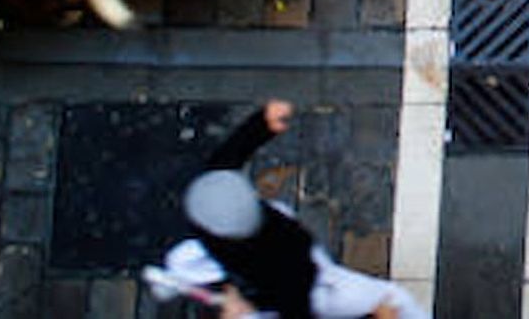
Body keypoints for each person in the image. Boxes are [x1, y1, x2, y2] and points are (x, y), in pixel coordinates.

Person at [160, 99, 427, 318]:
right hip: (306, 293)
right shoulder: (287, 272)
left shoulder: (208, 205)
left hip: (286, 280)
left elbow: (225, 160)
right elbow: (303, 311)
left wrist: (262, 123)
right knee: (397, 304)